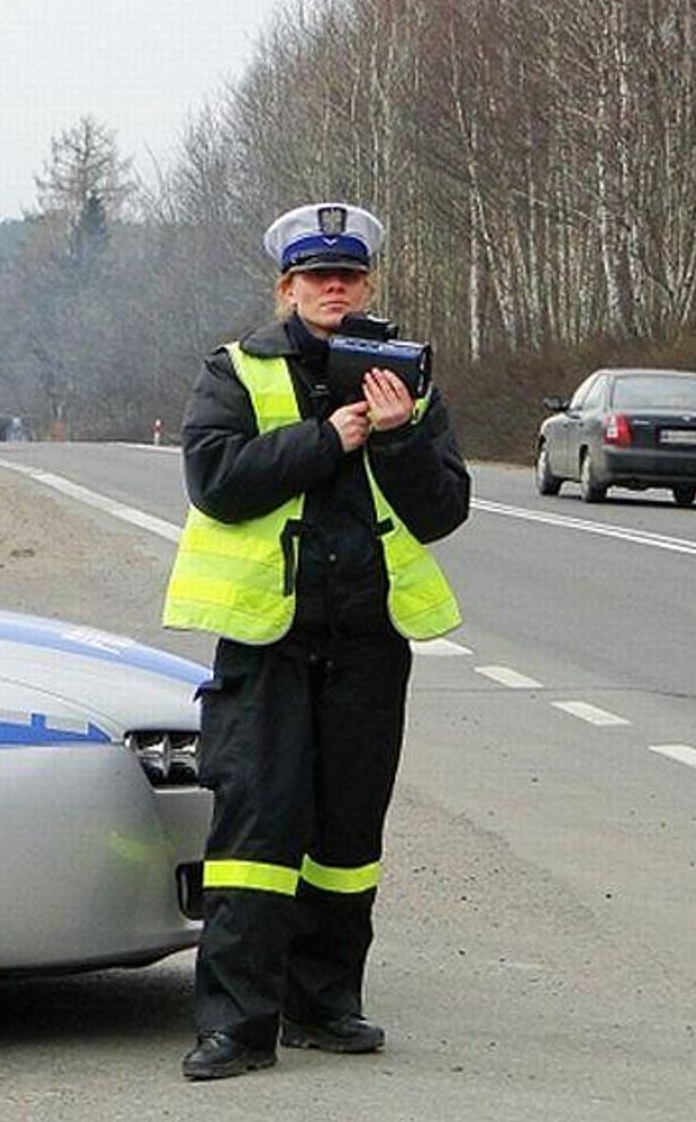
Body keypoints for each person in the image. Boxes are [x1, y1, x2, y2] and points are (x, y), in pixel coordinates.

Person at [162, 202, 470, 1080]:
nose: (334, 289)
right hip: (269, 643)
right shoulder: (237, 370)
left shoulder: (407, 380)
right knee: (255, 835)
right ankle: (234, 1025)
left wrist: (402, 433)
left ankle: (325, 1003)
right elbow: (214, 480)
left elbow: (444, 507)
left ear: (368, 285)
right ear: (287, 287)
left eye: (349, 276)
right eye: (316, 277)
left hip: (370, 642)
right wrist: (321, 439)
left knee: (347, 837)